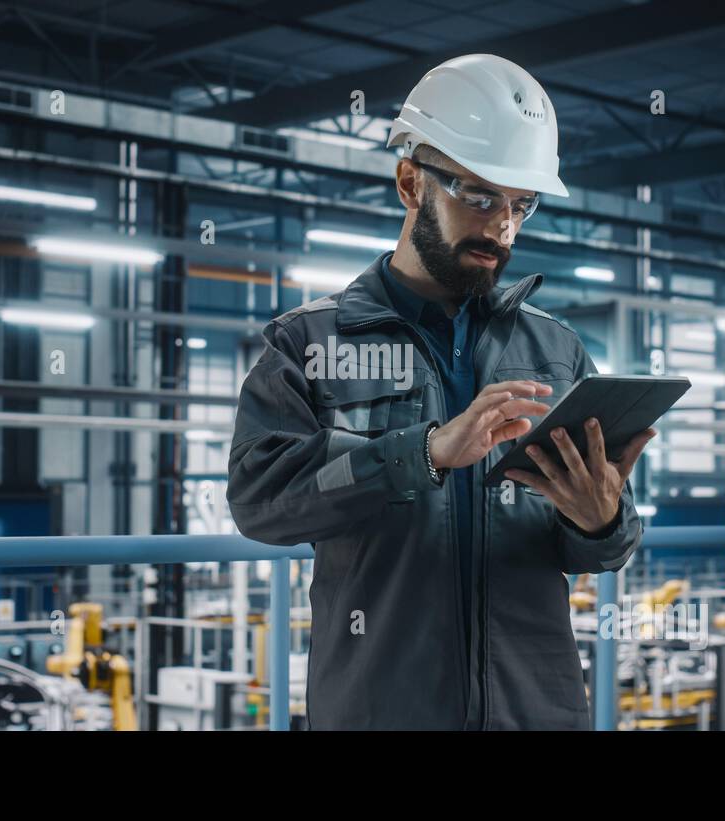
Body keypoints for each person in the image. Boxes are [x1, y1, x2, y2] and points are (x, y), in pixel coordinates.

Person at [228, 54, 655, 729]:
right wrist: (421, 452)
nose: (503, 228)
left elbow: (595, 550)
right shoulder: (309, 343)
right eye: (480, 197)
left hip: (536, 714)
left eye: (521, 205)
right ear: (410, 183)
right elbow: (259, 499)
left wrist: (601, 521)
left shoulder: (556, 350)